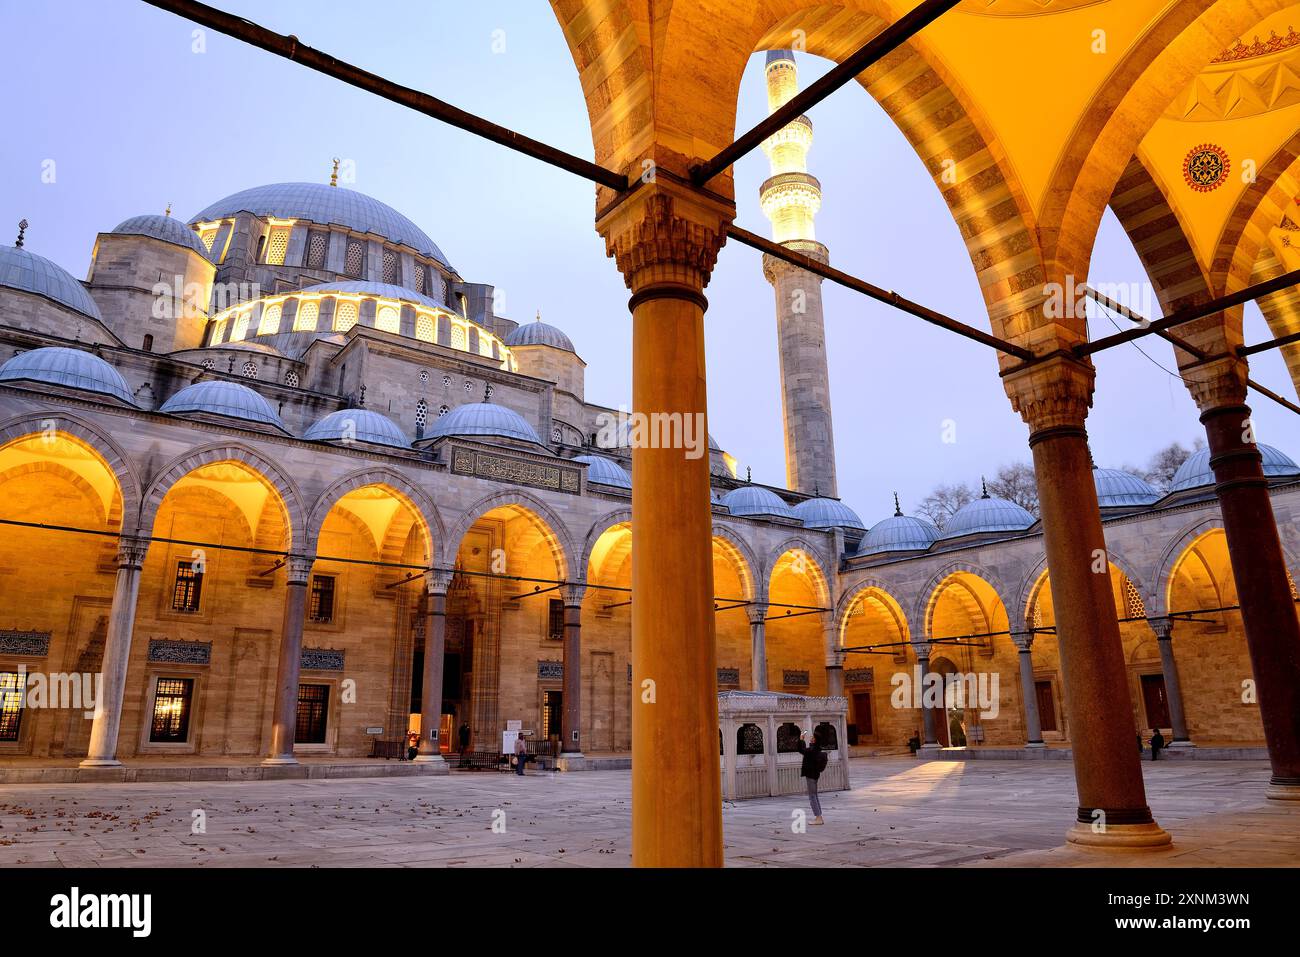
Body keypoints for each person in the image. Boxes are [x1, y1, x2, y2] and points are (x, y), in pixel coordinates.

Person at [796, 729, 827, 825]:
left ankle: (818, 818)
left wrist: (801, 739)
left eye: (813, 737)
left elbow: (802, 750)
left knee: (812, 796)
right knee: (814, 795)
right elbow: (805, 751)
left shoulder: (812, 750)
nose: (811, 738)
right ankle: (819, 816)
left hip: (811, 775)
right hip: (815, 775)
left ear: (815, 740)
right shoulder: (816, 749)